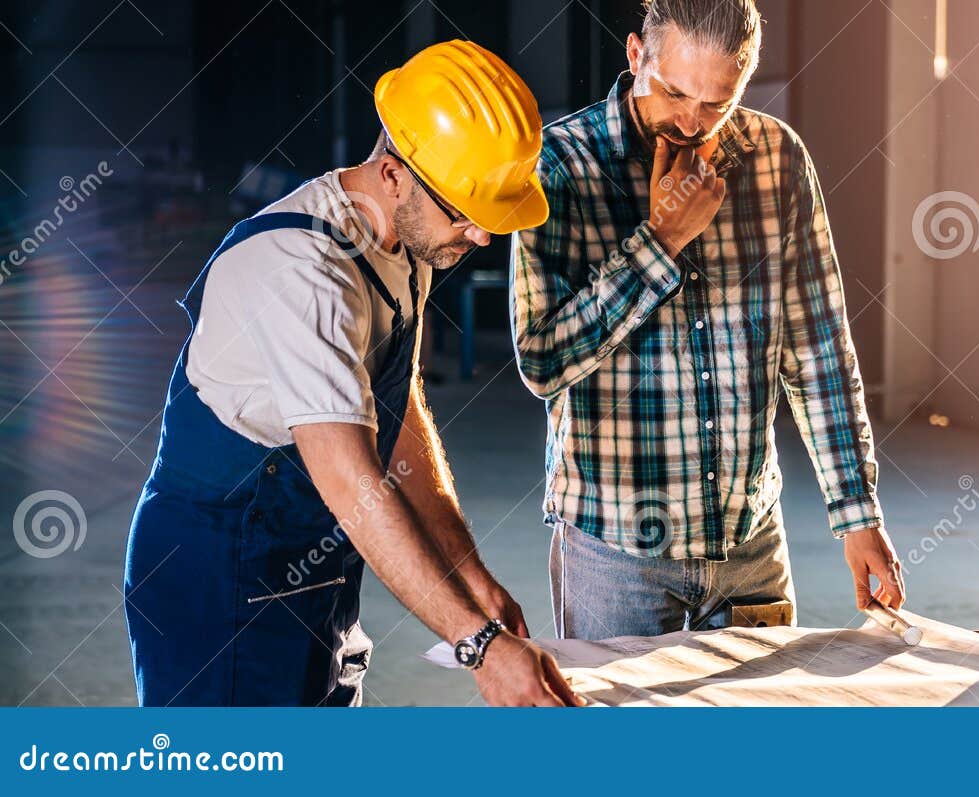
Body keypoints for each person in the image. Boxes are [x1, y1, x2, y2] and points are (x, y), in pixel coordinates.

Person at [124, 40, 581, 707]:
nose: (481, 236)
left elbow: (398, 416)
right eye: (463, 211)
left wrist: (466, 573)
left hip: (317, 569)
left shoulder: (412, 241)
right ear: (393, 174)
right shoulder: (304, 271)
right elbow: (351, 479)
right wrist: (477, 643)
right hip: (216, 575)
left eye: (490, 216)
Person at [512, 0, 906, 639]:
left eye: (716, 104)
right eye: (673, 92)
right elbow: (542, 361)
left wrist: (858, 514)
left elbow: (819, 351)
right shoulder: (560, 166)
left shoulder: (776, 158)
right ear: (637, 56)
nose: (691, 122)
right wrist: (661, 240)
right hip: (615, 556)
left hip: (749, 548)